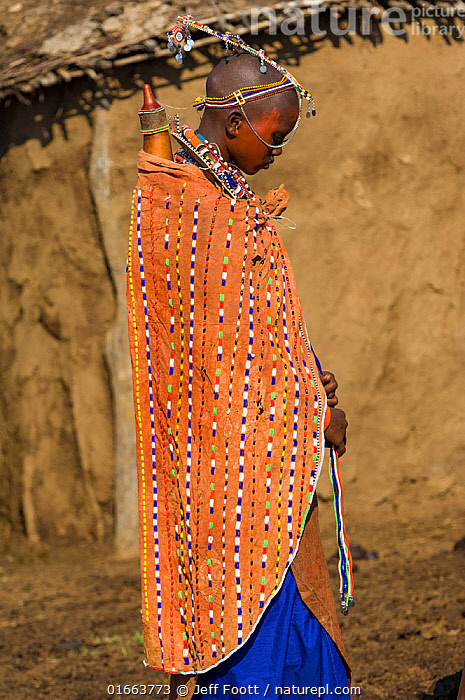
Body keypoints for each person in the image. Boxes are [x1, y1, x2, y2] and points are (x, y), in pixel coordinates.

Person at [127, 19, 351, 700]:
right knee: (241, 603)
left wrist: (311, 370)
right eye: (273, 136)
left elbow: (262, 320)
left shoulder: (225, 197)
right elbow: (215, 351)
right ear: (232, 125)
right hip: (229, 461)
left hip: (267, 452)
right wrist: (314, 414)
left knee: (287, 593)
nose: (278, 151)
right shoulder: (192, 205)